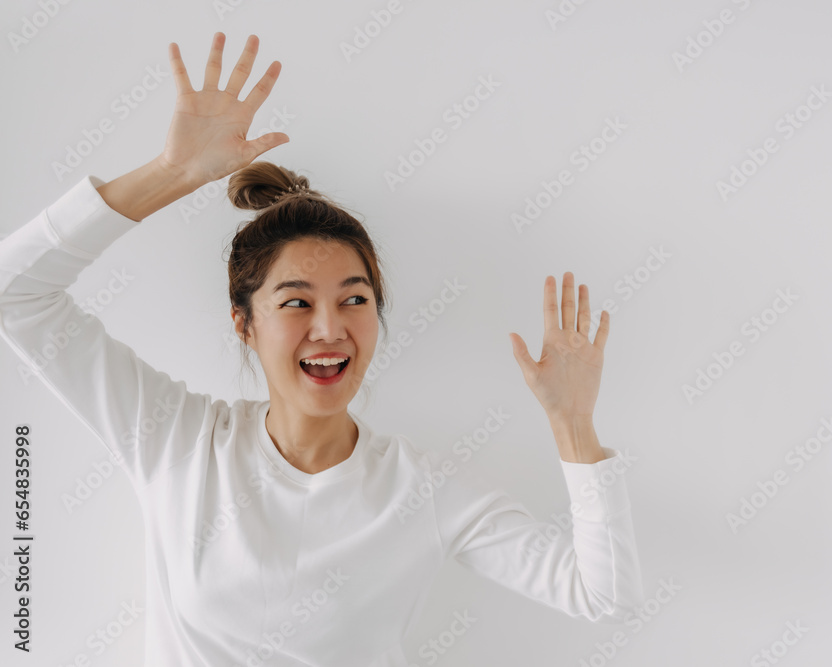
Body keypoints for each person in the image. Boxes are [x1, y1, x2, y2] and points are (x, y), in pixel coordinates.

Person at [0, 32, 644, 667]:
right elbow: (14, 294)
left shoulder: (422, 490)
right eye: (296, 301)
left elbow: (604, 598)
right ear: (243, 324)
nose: (330, 328)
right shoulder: (177, 441)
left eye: (355, 299)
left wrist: (572, 424)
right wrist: (171, 174)